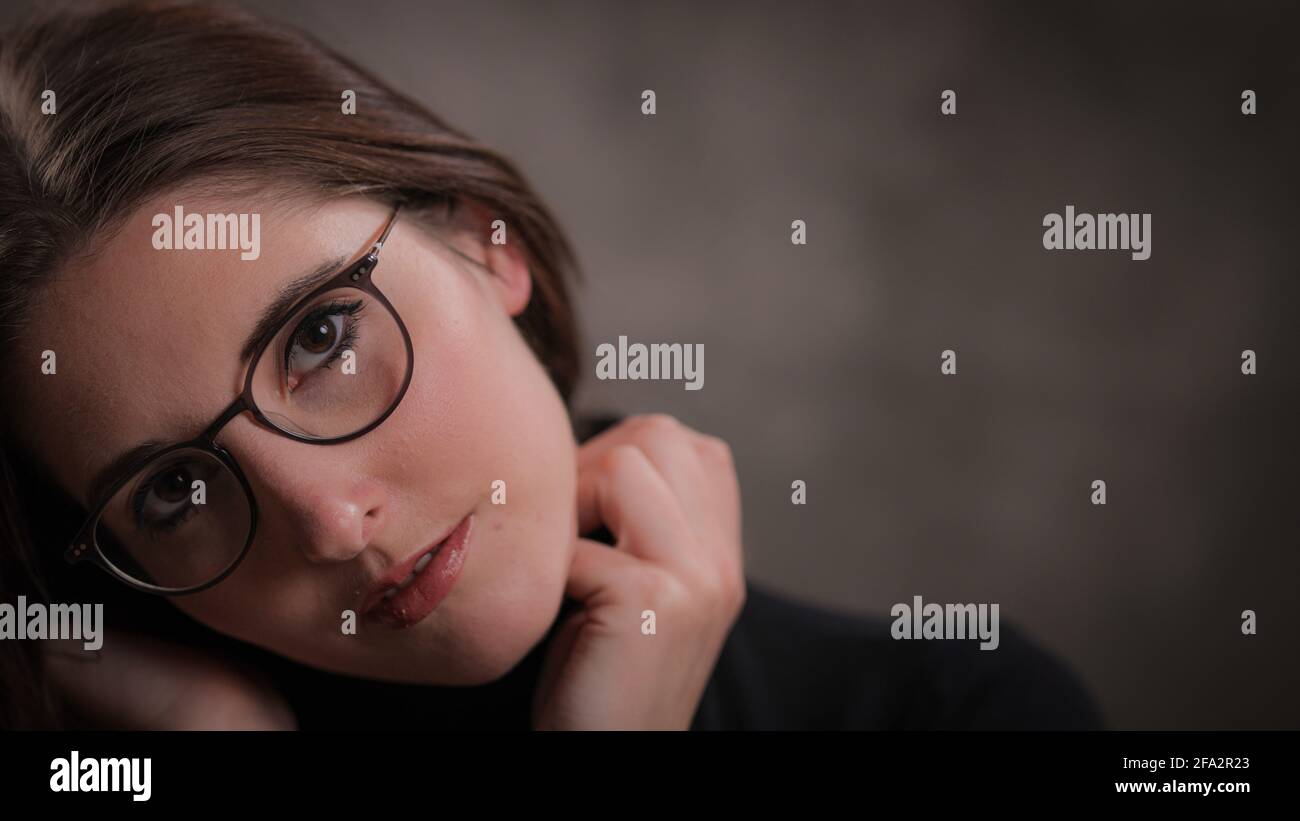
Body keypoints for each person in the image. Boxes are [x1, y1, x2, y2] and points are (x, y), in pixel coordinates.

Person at [0, 0, 1101, 731]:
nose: (332, 521)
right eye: (174, 489)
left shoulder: (965, 709)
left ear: (486, 236)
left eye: (321, 338)